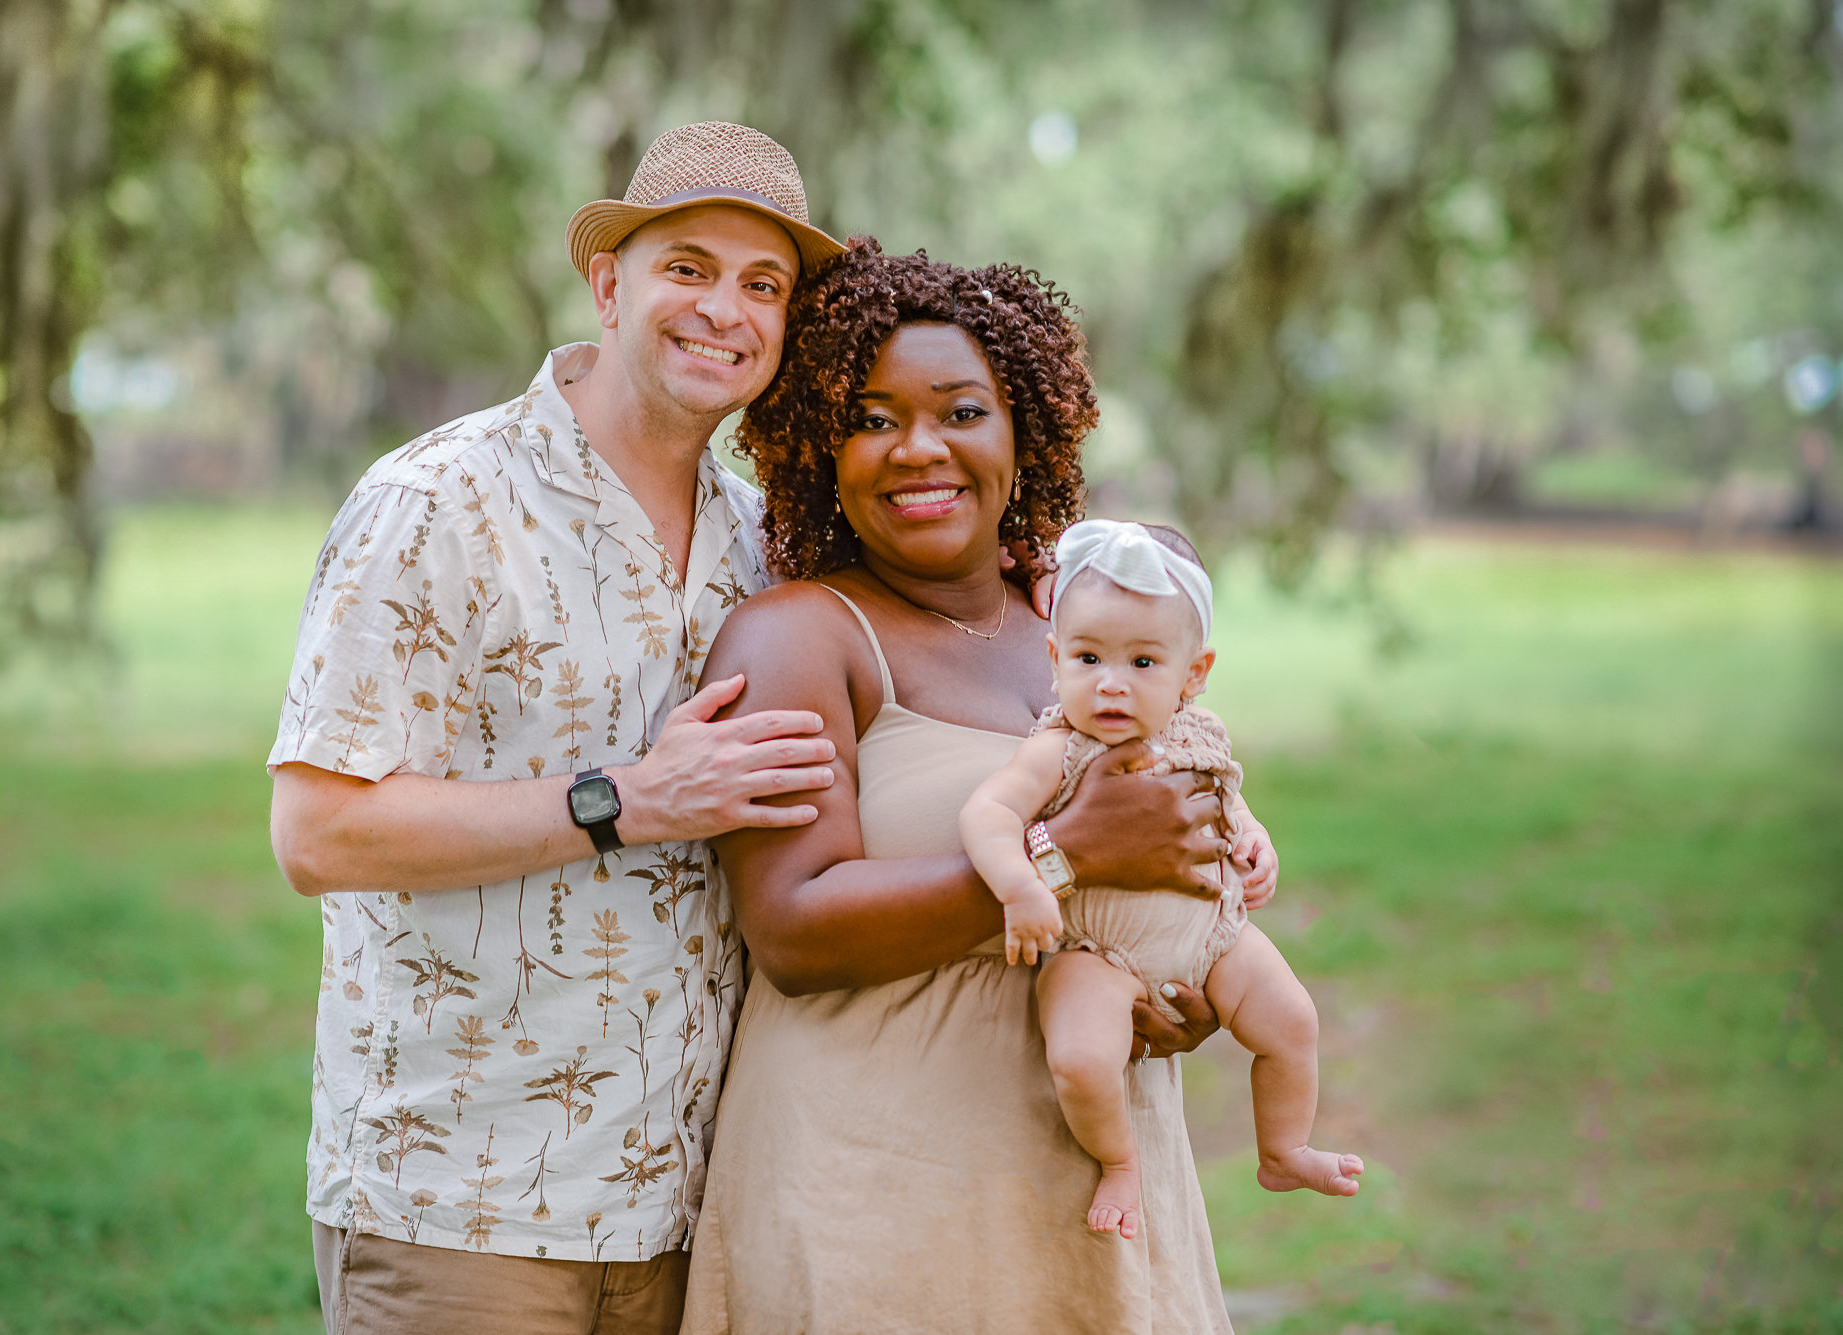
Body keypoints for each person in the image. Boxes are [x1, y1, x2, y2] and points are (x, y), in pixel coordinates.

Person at [267, 127, 1222, 1335]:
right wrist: (623, 799)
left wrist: (1167, 954)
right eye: (688, 267)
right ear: (609, 282)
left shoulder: (758, 538)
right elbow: (314, 833)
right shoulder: (439, 503)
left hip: (679, 1179)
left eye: (762, 284)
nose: (724, 309)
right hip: (470, 1187)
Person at [681, 241, 1240, 1334]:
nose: (916, 449)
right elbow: (790, 932)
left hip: (1085, 1189)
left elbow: (1180, 845)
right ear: (818, 450)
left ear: (1021, 431)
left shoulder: (1077, 634)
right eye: (872, 418)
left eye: (959, 412)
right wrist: (1069, 857)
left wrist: (1185, 989)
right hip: (869, 1195)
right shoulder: (798, 636)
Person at [962, 518, 1363, 1245]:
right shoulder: (1058, 749)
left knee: (1292, 1020)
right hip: (1098, 951)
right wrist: (1020, 884)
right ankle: (1119, 1161)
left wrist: (1255, 843)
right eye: (1088, 657)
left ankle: (1283, 1148)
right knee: (1082, 1059)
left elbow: (1227, 803)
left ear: (1194, 673)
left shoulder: (1200, 735)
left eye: (1143, 662)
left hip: (1212, 937)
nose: (1111, 682)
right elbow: (986, 813)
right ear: (1055, 659)